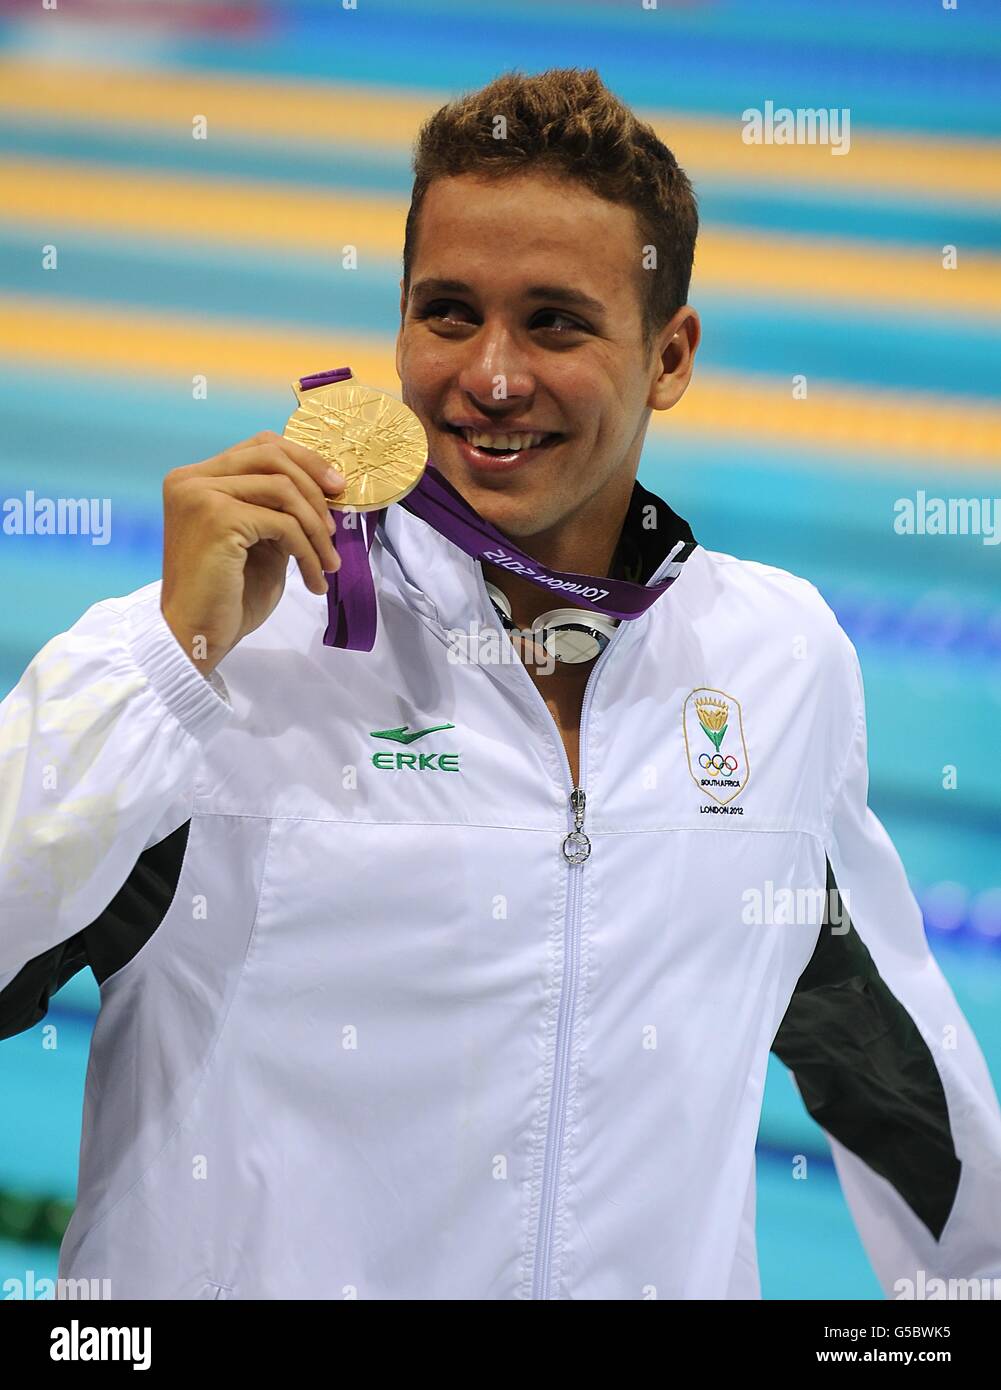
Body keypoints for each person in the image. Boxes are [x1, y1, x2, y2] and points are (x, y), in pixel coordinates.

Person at [2, 67, 1000, 1301]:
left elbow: (909, 1104)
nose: (489, 376)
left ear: (670, 354)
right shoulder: (226, 659)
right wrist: (162, 666)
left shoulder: (774, 662)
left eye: (554, 322)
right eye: (447, 313)